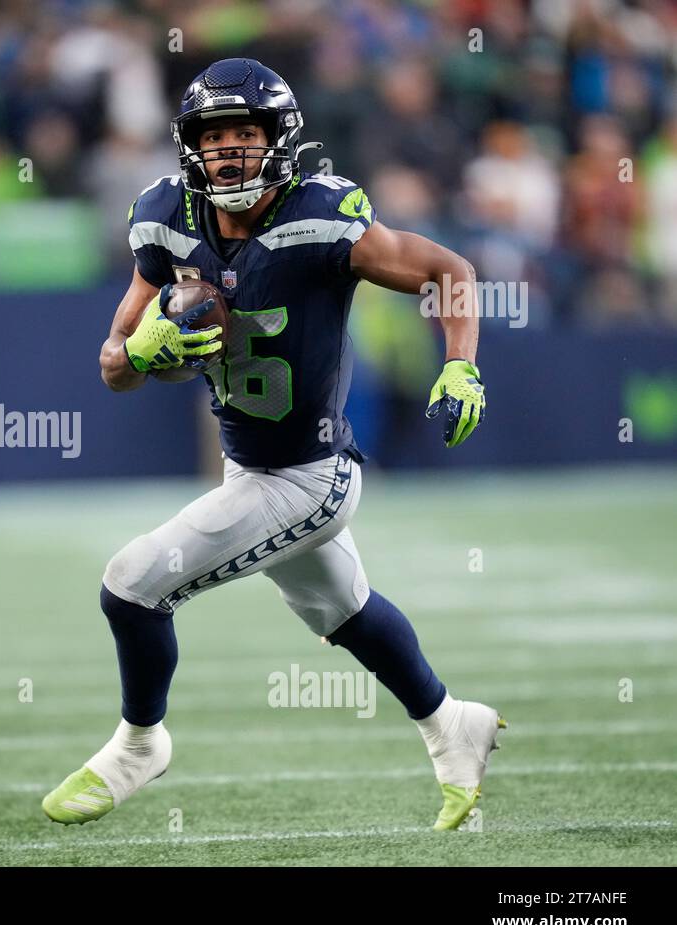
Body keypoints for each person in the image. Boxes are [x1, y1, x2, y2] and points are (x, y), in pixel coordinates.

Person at [42, 58, 502, 831]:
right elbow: (113, 366)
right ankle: (450, 723)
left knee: (132, 584)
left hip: (310, 474)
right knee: (345, 612)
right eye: (213, 137)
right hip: (248, 458)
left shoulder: (323, 216)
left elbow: (448, 270)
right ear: (191, 147)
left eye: (244, 135)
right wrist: (143, 352)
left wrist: (461, 366)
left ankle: (138, 743)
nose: (228, 152)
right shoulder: (166, 218)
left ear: (278, 139)